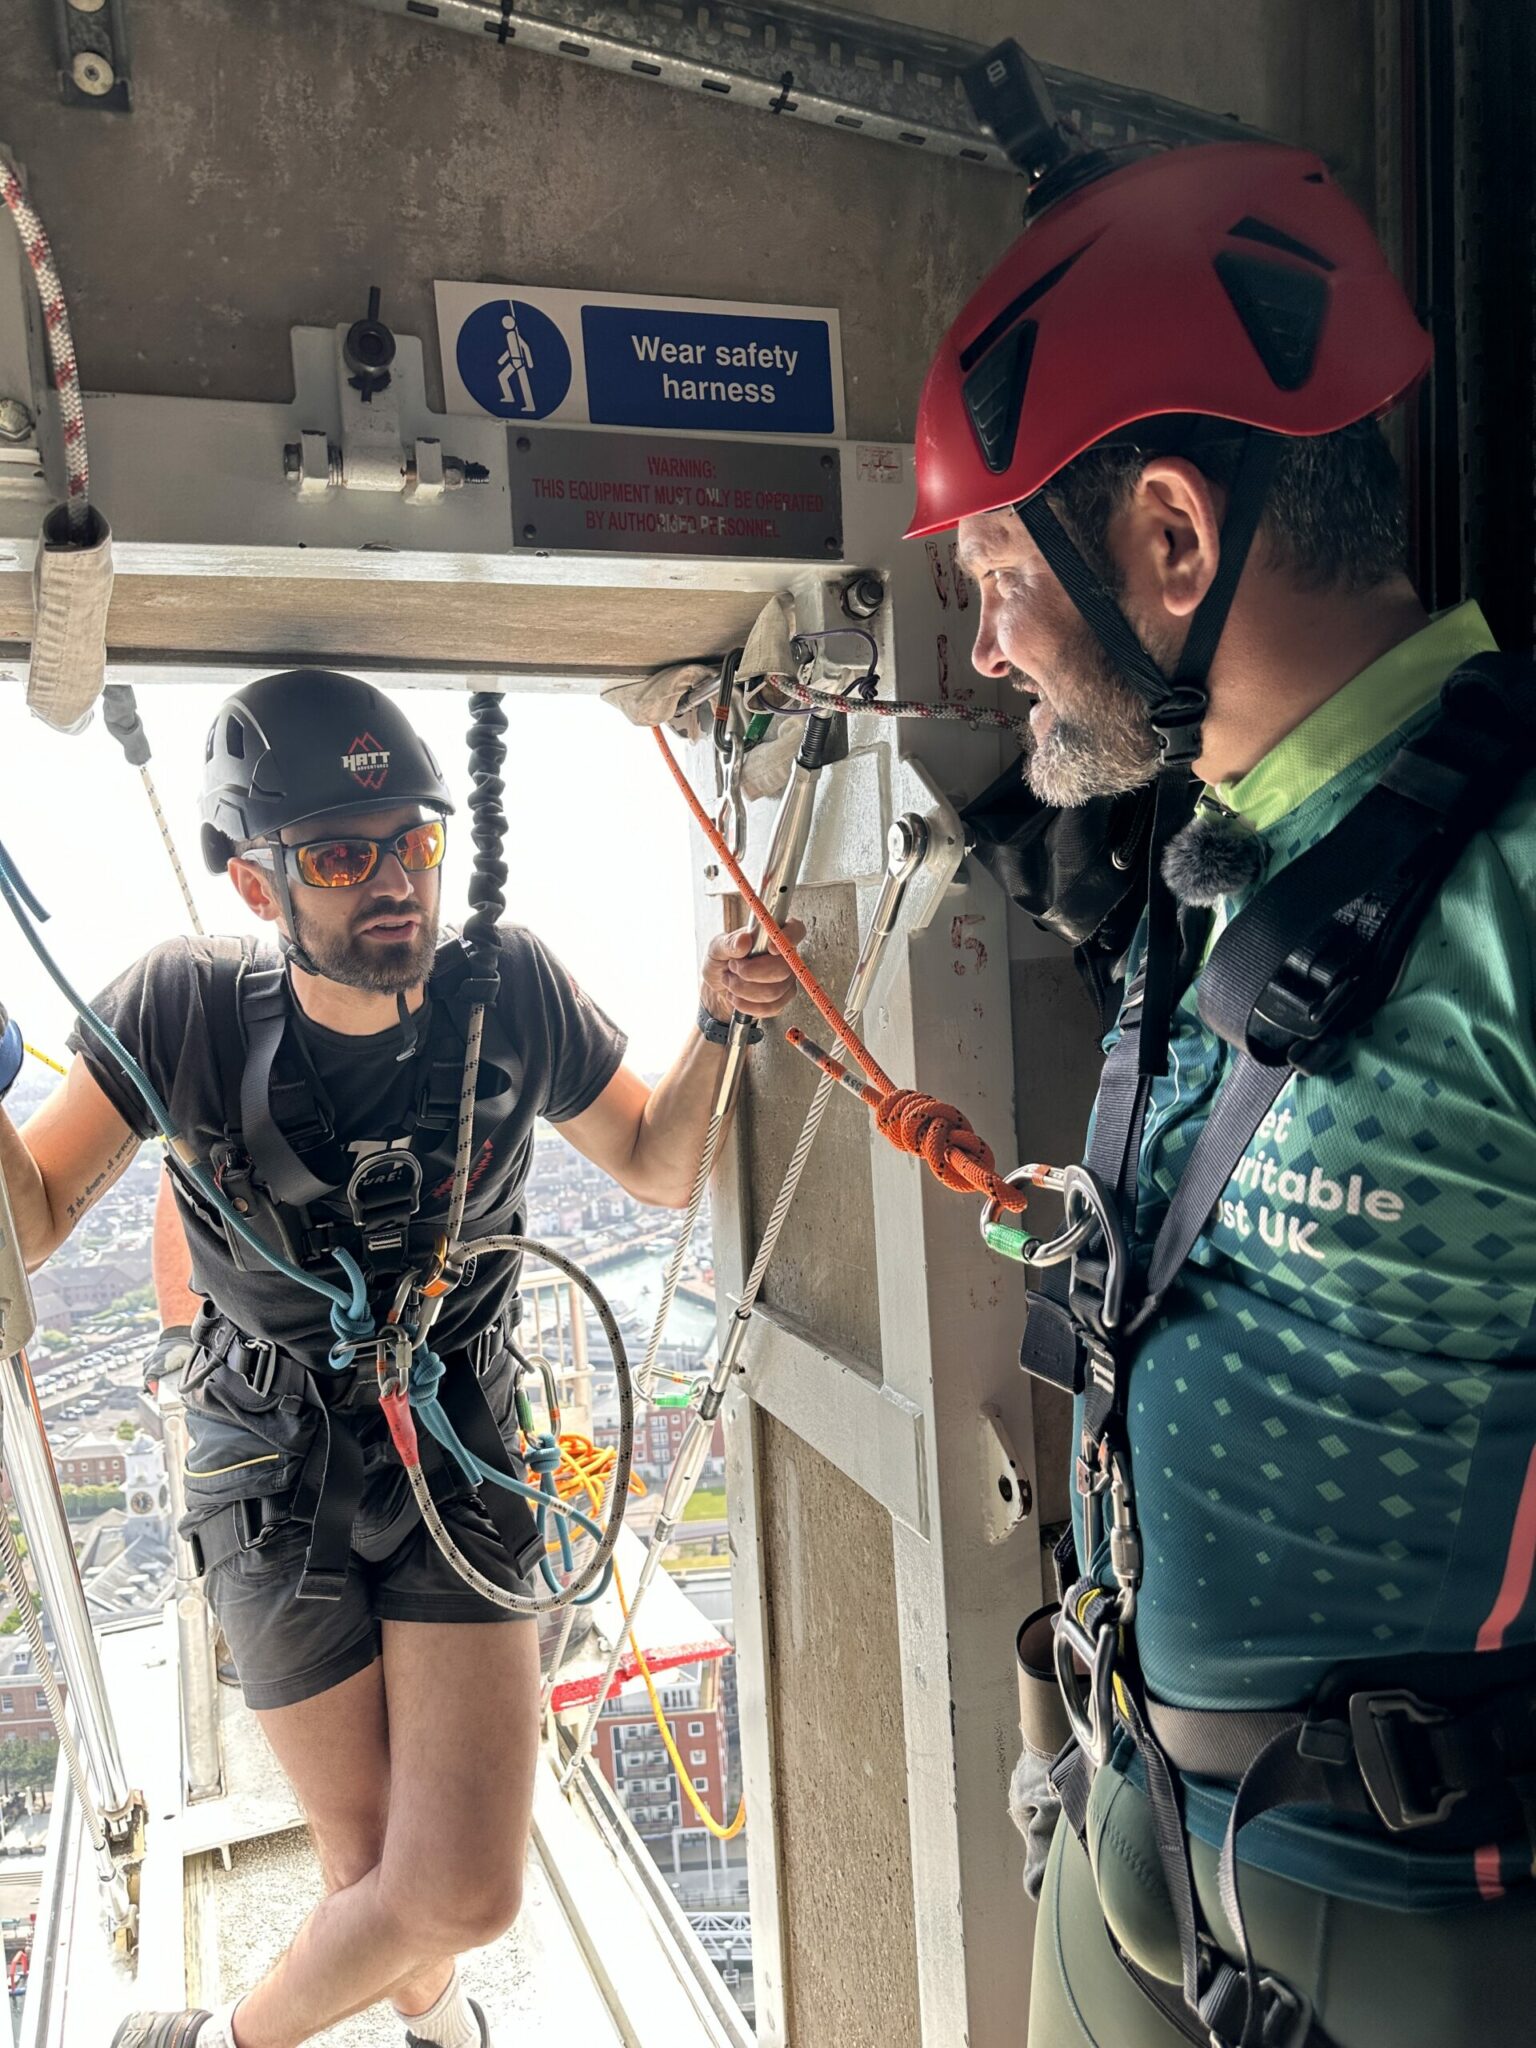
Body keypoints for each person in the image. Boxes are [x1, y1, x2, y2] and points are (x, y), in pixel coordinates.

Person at [909, 61, 1536, 2048]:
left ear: (1168, 539)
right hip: (1126, 1834)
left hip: (1407, 1909)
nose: (990, 648)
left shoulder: (1514, 886)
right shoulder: (1214, 858)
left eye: (1005, 575)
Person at [0, 668, 801, 2048]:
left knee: (460, 1886)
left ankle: (217, 2042)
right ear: (258, 887)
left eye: (413, 842)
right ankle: (444, 2036)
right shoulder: (184, 1008)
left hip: (463, 1434)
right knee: (372, 1864)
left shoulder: (513, 991)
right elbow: (33, 1215)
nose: (391, 881)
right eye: (336, 854)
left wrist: (723, 1019)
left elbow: (661, 1166)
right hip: (268, 1464)